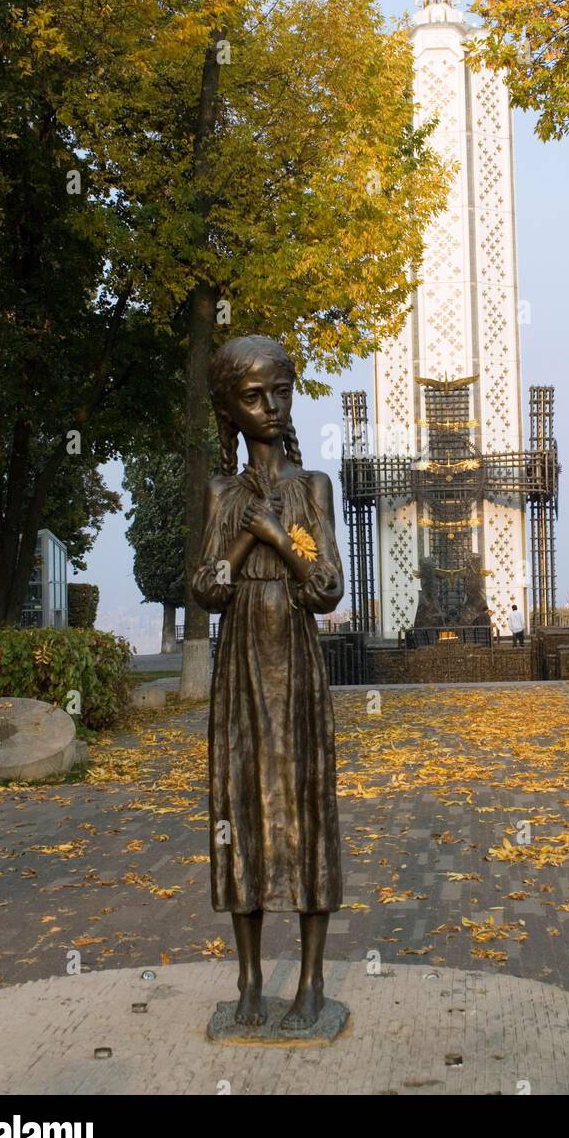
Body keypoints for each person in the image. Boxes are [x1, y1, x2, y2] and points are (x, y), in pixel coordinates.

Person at [192, 334, 343, 1031]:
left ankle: (311, 981)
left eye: (281, 392)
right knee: (240, 810)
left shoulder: (312, 490)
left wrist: (282, 538)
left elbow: (325, 587)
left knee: (307, 808)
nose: (272, 407)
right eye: (254, 397)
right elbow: (208, 589)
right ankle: (250, 982)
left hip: (297, 663)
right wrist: (248, 535)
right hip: (241, 671)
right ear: (230, 409)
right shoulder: (220, 494)